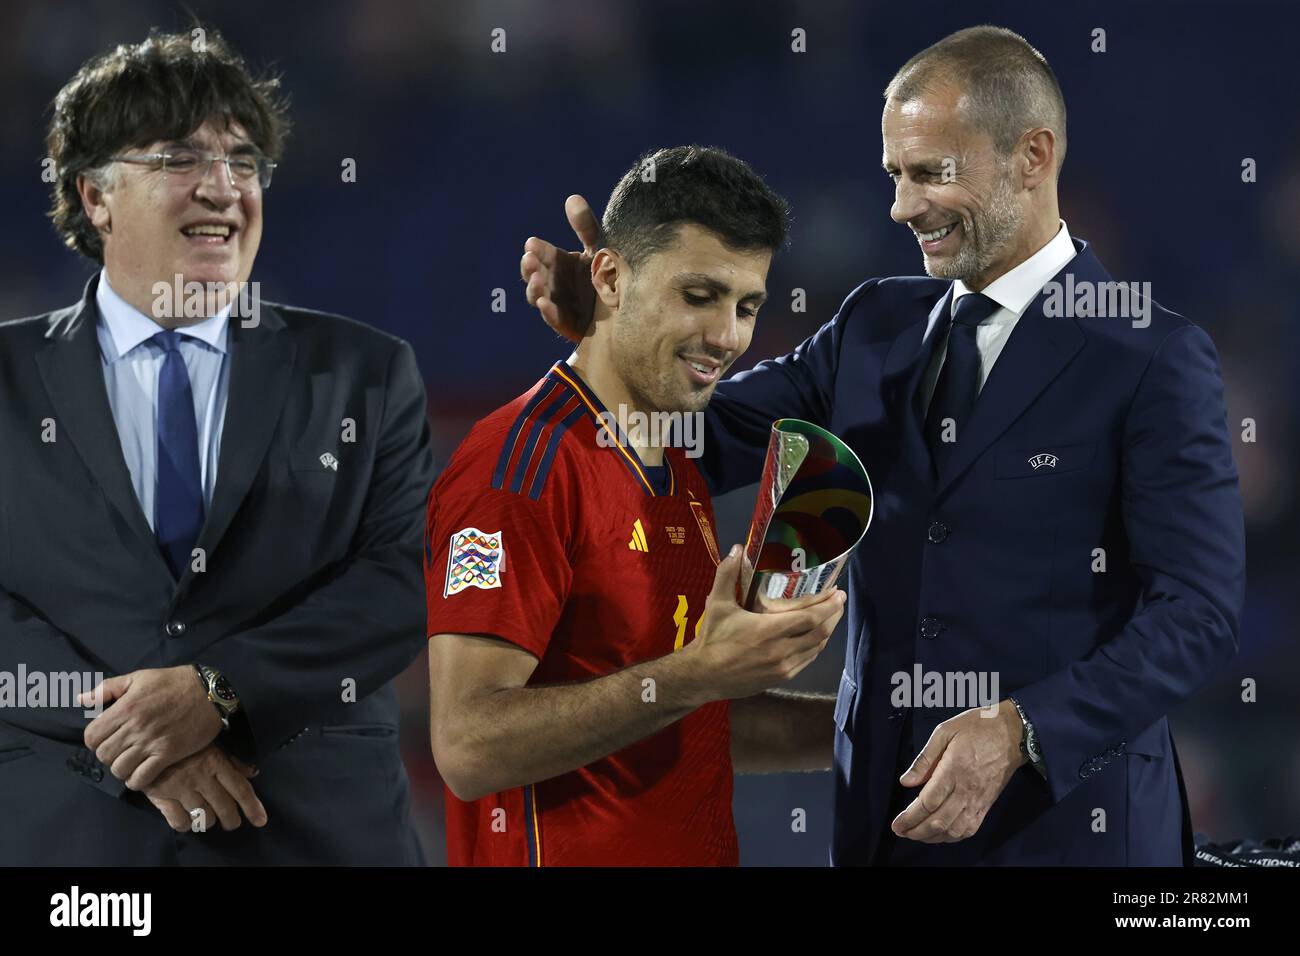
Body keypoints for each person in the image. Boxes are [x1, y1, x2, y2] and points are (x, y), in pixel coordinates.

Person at [521, 27, 1245, 865]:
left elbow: (1198, 615)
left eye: (932, 173)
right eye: (895, 176)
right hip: (882, 830)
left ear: (1032, 157)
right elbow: (693, 442)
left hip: (1070, 831)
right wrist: (615, 338)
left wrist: (1021, 729)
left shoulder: (1149, 356)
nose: (903, 207)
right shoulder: (876, 323)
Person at [0, 28, 434, 864]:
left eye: (243, 162)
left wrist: (220, 693)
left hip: (315, 836)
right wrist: (130, 728)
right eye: (178, 159)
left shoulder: (367, 372)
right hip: (74, 844)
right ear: (95, 196)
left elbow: (406, 574)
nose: (224, 188)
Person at [426, 146, 845, 866]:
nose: (728, 338)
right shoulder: (519, 468)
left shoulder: (676, 462)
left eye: (746, 306)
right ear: (611, 276)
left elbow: (677, 719)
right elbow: (468, 745)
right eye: (699, 295)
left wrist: (872, 731)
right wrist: (701, 672)